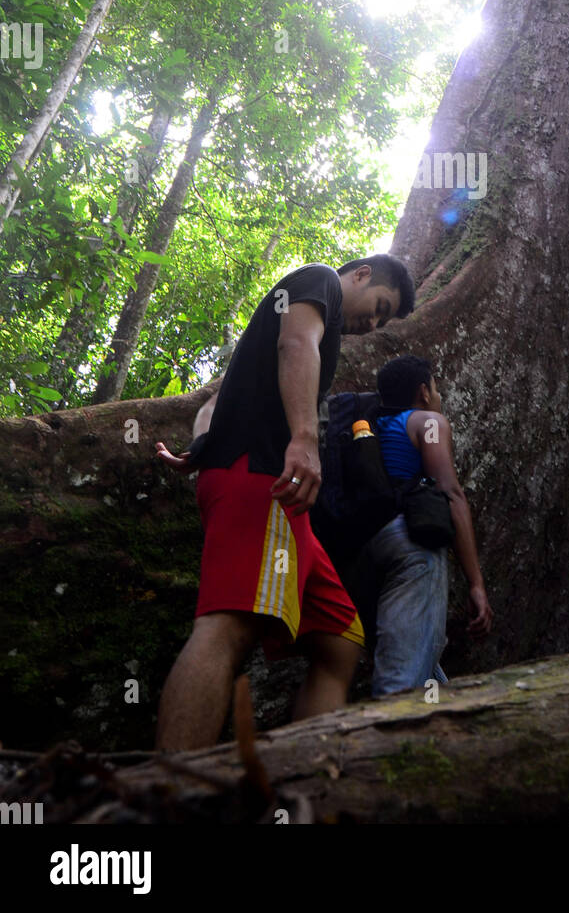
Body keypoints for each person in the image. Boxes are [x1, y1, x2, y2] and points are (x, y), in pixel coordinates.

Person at [154, 256, 414, 750]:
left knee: (340, 640)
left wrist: (205, 448)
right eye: (380, 307)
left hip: (271, 496)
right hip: (262, 478)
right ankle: (171, 791)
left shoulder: (315, 320)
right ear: (360, 274)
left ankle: (300, 776)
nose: (374, 323)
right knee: (228, 627)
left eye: (383, 321)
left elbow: (211, 403)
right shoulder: (319, 282)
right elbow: (295, 342)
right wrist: (303, 437)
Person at [343, 354, 493, 698]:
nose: (438, 397)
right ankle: (386, 745)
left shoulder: (371, 428)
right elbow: (451, 493)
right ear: (424, 392)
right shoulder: (427, 421)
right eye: (436, 389)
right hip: (412, 545)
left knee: (420, 659)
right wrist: (476, 583)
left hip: (367, 549)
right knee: (401, 683)